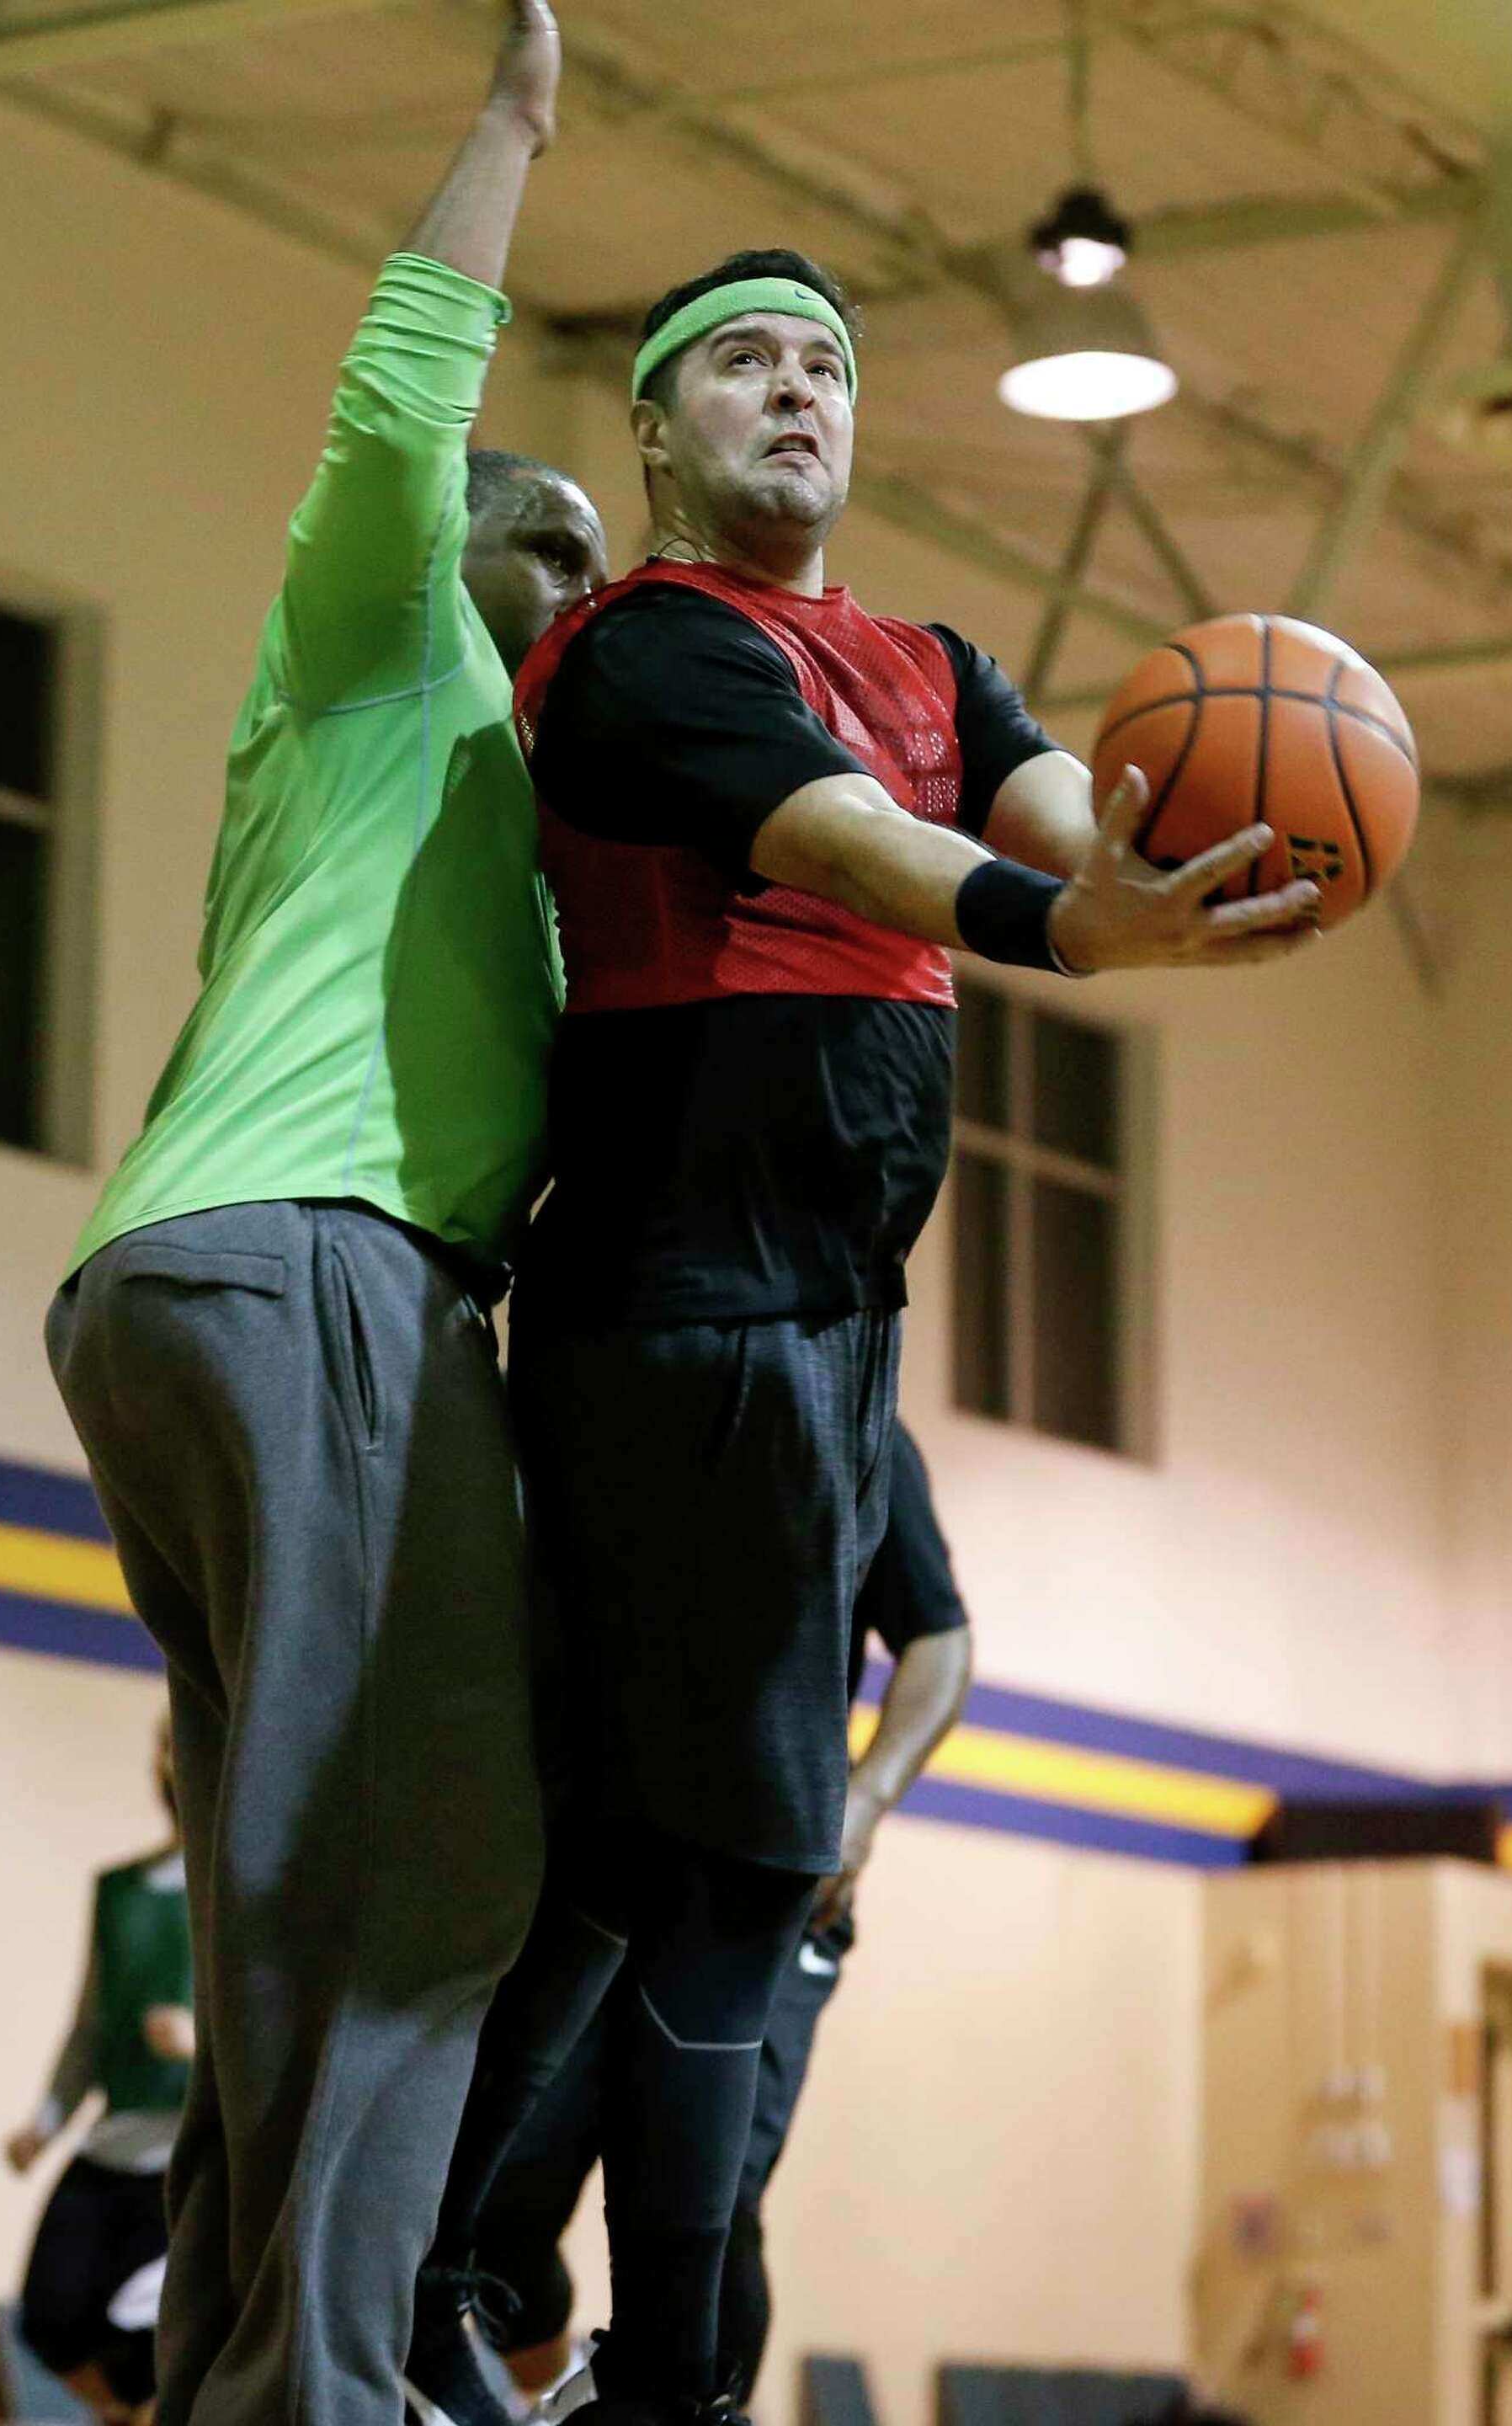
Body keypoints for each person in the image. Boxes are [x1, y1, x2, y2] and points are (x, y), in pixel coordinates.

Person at [434, 244, 1321, 2426]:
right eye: (742, 362)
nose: (797, 392)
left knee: (647, 1861)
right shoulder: (642, 652)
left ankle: (440, 2286)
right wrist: (1062, 926)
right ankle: (656, 2373)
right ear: (654, 427)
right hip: (681, 1295)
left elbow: (1042, 804)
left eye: (826, 365)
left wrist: (1179, 856)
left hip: (826, 1326)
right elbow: (856, 843)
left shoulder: (928, 651)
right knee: (736, 1865)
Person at [44, 12, 608, 2426]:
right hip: (308, 1259)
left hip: (184, 1279)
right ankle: (337, 2398)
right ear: (459, 551)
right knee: (427, 1868)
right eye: (541, 530)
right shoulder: (387, 643)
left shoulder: (525, 834)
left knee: (291, 1881)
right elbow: (392, 413)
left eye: (596, 549)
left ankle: (248, 2384)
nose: (573, 572)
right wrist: (508, 142)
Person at [431, 1424, 971, 2424]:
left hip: (766, 1878)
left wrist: (866, 1800)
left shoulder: (850, 1411)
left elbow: (941, 1638)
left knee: (714, 2207)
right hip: (609, 1855)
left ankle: (684, 2409)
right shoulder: (609, 1370)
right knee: (503, 2207)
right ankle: (537, 2400)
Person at [6, 1717, 190, 2426]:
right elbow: (88, 2026)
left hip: (187, 2158)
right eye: (163, 1744)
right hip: (112, 2142)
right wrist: (44, 2123)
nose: (171, 1759)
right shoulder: (120, 1891)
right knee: (49, 2316)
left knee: (153, 2335)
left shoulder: (246, 1892)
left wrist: (200, 2041)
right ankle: (122, 2413)